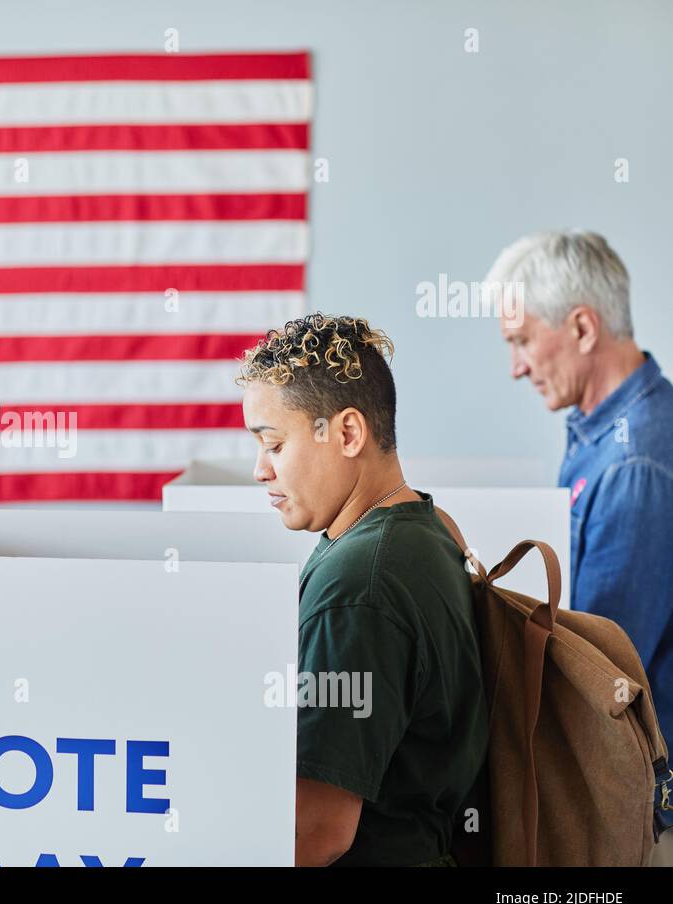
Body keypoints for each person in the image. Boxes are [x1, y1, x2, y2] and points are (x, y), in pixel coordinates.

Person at [237, 313, 488, 866]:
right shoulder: (427, 524)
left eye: (274, 444)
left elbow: (316, 832)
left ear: (347, 433)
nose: (260, 470)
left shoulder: (360, 586)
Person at [485, 230, 673, 864]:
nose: (515, 367)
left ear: (583, 328)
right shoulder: (604, 433)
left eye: (521, 341)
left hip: (640, 812)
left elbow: (604, 668)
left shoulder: (635, 464)